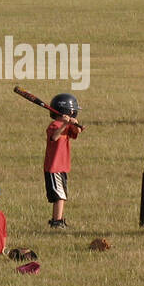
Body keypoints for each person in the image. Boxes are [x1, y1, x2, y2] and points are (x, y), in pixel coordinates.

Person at [44, 93, 81, 228]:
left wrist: (74, 124)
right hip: (54, 167)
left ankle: (57, 219)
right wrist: (64, 124)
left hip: (62, 167)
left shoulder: (67, 125)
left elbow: (77, 132)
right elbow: (54, 137)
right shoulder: (55, 125)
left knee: (61, 194)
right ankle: (57, 221)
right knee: (60, 195)